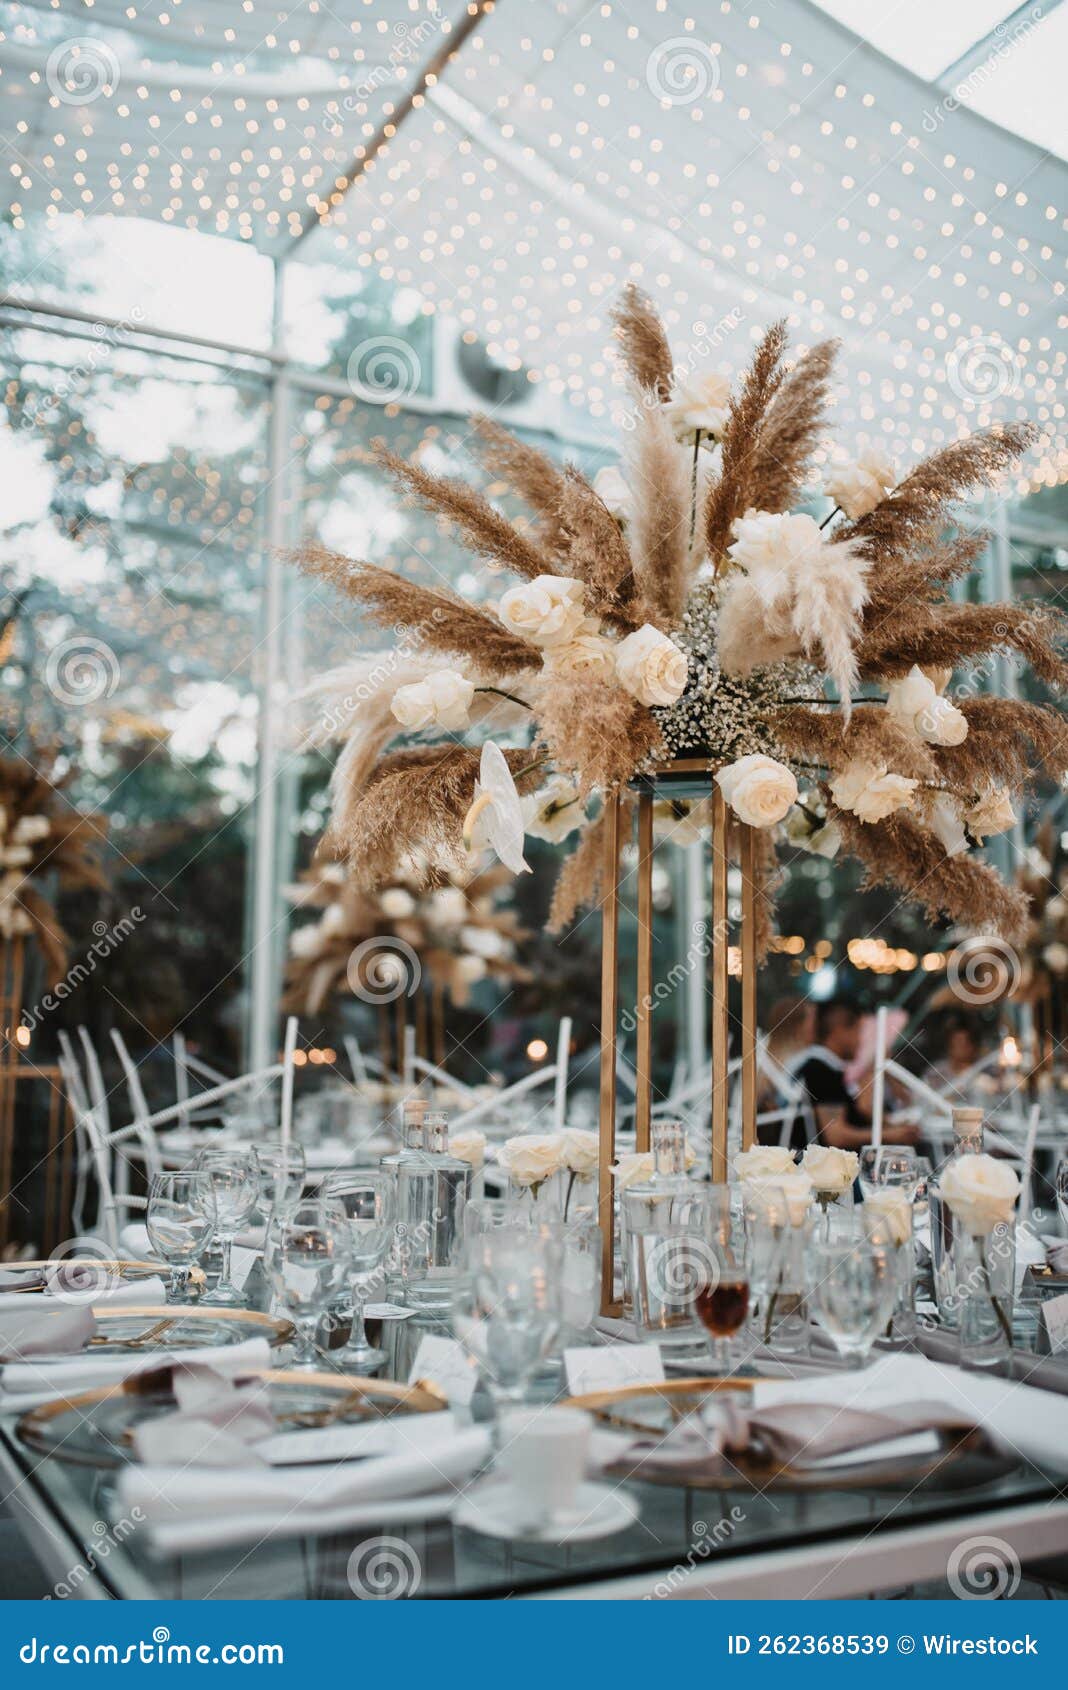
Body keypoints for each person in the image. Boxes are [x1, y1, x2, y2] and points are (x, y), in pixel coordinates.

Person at [795, 998, 921, 1150]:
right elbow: (835, 1136)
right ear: (839, 1030)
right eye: (859, 1030)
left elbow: (862, 1109)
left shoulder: (827, 1066)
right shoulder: (820, 1070)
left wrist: (892, 1128)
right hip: (823, 1161)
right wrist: (890, 1135)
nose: (861, 1040)